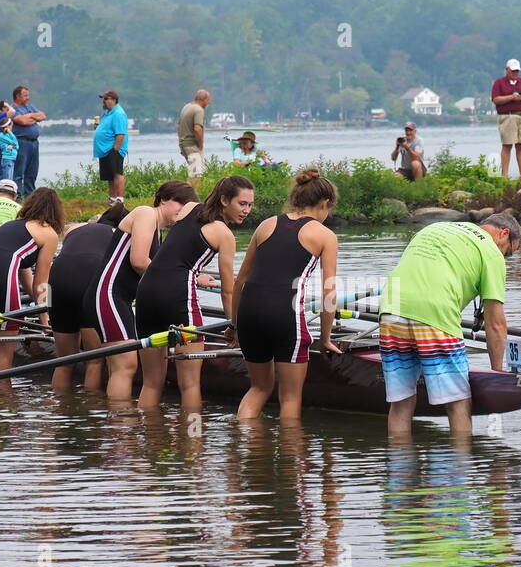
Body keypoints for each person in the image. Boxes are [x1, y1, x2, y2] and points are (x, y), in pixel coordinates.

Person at [378, 214, 521, 438]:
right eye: (509, 252)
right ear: (504, 233)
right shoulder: (491, 252)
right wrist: (497, 374)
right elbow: (496, 324)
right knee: (458, 402)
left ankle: (400, 469)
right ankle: (458, 467)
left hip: (391, 308)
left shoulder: (436, 227)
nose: (505, 256)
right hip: (434, 315)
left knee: (401, 401)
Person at [135, 174, 254, 410]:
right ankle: (191, 444)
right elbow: (228, 291)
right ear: (223, 200)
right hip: (178, 295)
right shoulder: (224, 234)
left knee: (151, 382)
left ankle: (149, 440)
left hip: (146, 291)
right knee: (189, 383)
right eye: (242, 204)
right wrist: (234, 326)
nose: (247, 210)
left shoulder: (189, 207)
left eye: (250, 205)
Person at [234, 169, 341, 421]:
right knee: (291, 397)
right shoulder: (325, 235)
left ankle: (244, 445)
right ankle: (291, 459)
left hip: (249, 314)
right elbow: (329, 292)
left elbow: (240, 281)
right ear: (325, 203)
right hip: (285, 315)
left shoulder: (266, 224)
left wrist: (235, 325)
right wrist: (325, 338)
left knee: (259, 388)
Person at [83, 181, 199, 401]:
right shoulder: (146, 213)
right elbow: (139, 261)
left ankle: (108, 421)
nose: (183, 210)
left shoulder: (158, 232)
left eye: (189, 206)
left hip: (119, 299)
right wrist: (173, 281)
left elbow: (162, 268)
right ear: (164, 199)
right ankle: (121, 429)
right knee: (125, 365)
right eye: (181, 203)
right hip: (108, 295)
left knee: (122, 364)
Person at [0, 186, 63, 382]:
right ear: (56, 212)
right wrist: (45, 322)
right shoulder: (49, 234)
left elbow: (24, 272)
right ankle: (2, 409)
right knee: (3, 355)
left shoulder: (11, 226)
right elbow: (41, 284)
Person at [48, 203, 126, 392]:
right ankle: (92, 413)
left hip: (56, 279)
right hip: (88, 277)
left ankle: (58, 409)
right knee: (95, 360)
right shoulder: (121, 234)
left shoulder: (76, 229)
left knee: (65, 361)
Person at [491, 59, 521, 179]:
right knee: (507, 145)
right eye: (513, 71)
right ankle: (504, 176)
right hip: (508, 116)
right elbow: (496, 99)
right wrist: (511, 97)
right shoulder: (499, 83)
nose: (515, 73)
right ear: (507, 70)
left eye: (517, 71)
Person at [93, 90, 130, 202]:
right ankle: (112, 198)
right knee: (109, 176)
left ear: (113, 100)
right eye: (103, 99)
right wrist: (98, 127)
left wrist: (115, 150)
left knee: (117, 173)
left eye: (105, 99)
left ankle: (120, 199)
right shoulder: (108, 113)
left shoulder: (118, 114)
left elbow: (120, 134)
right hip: (105, 150)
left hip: (113, 149)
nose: (103, 102)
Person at [10, 85, 46, 198]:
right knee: (19, 171)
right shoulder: (12, 109)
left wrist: (29, 115)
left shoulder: (29, 107)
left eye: (28, 95)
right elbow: (21, 121)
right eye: (25, 95)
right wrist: (33, 119)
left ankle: (30, 195)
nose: (28, 98)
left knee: (32, 171)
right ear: (17, 96)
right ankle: (18, 196)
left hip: (34, 143)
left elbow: (42, 116)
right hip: (21, 142)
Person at [177, 89, 211, 190]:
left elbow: (178, 127)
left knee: (193, 172)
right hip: (192, 145)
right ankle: (191, 197)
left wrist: (181, 142)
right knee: (196, 174)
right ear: (204, 99)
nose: (209, 103)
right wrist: (200, 144)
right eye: (208, 100)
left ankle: (189, 195)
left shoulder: (186, 107)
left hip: (184, 144)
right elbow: (197, 128)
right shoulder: (198, 110)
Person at [0, 117, 20, 185]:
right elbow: (16, 143)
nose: (12, 127)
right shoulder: (2, 136)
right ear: (7, 126)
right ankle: (5, 193)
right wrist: (10, 133)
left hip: (12, 158)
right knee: (7, 180)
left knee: (10, 179)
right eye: (11, 125)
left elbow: (15, 145)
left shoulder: (6, 135)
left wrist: (12, 145)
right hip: (7, 159)